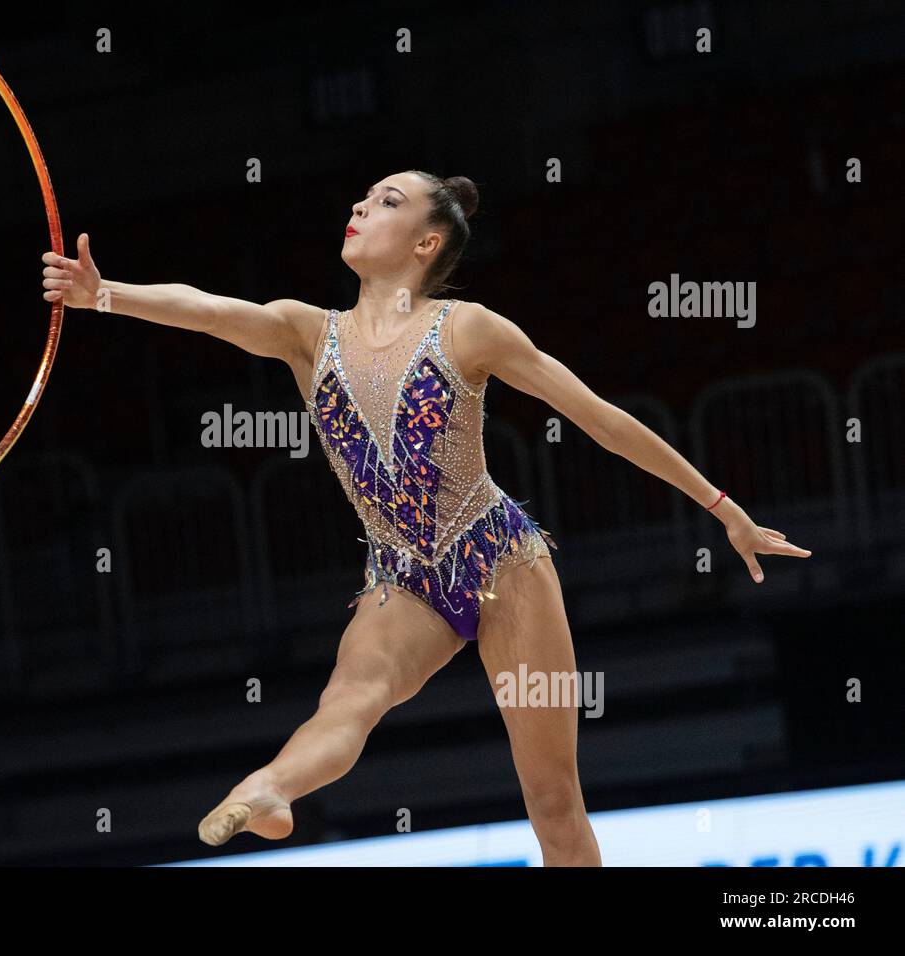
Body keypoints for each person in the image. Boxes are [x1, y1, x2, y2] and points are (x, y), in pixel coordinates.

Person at [40, 170, 811, 866]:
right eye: (363, 197)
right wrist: (103, 295)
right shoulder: (309, 336)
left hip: (502, 564)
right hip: (402, 579)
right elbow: (209, 312)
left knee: (552, 801)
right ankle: (271, 787)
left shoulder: (468, 329)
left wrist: (722, 508)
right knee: (349, 698)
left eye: (386, 201)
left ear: (425, 242)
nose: (358, 205)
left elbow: (600, 418)